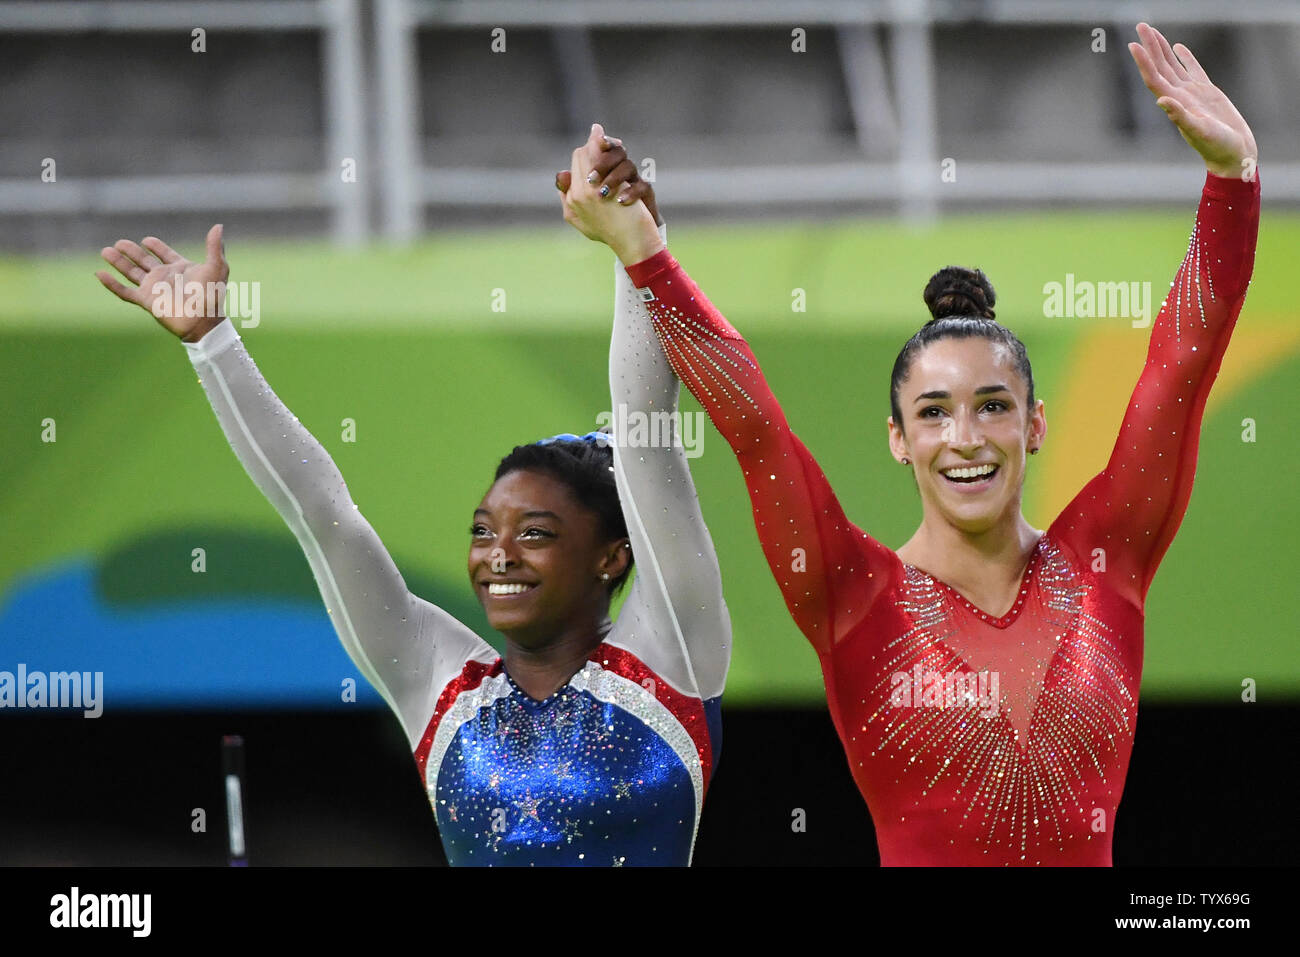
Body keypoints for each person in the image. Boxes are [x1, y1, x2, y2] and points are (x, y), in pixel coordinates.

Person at [559, 23, 1259, 865]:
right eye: (933, 412)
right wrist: (644, 254)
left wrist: (1233, 178)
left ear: (1035, 425)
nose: (965, 438)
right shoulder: (851, 592)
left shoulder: (1108, 555)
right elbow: (756, 430)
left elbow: (1182, 367)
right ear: (898, 438)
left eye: (993, 405)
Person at [94, 129, 730, 866]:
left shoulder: (672, 651)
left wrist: (635, 248)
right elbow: (321, 515)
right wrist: (212, 342)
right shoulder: (440, 684)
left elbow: (644, 434)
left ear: (613, 556)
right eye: (485, 530)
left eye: (536, 533)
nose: (499, 555)